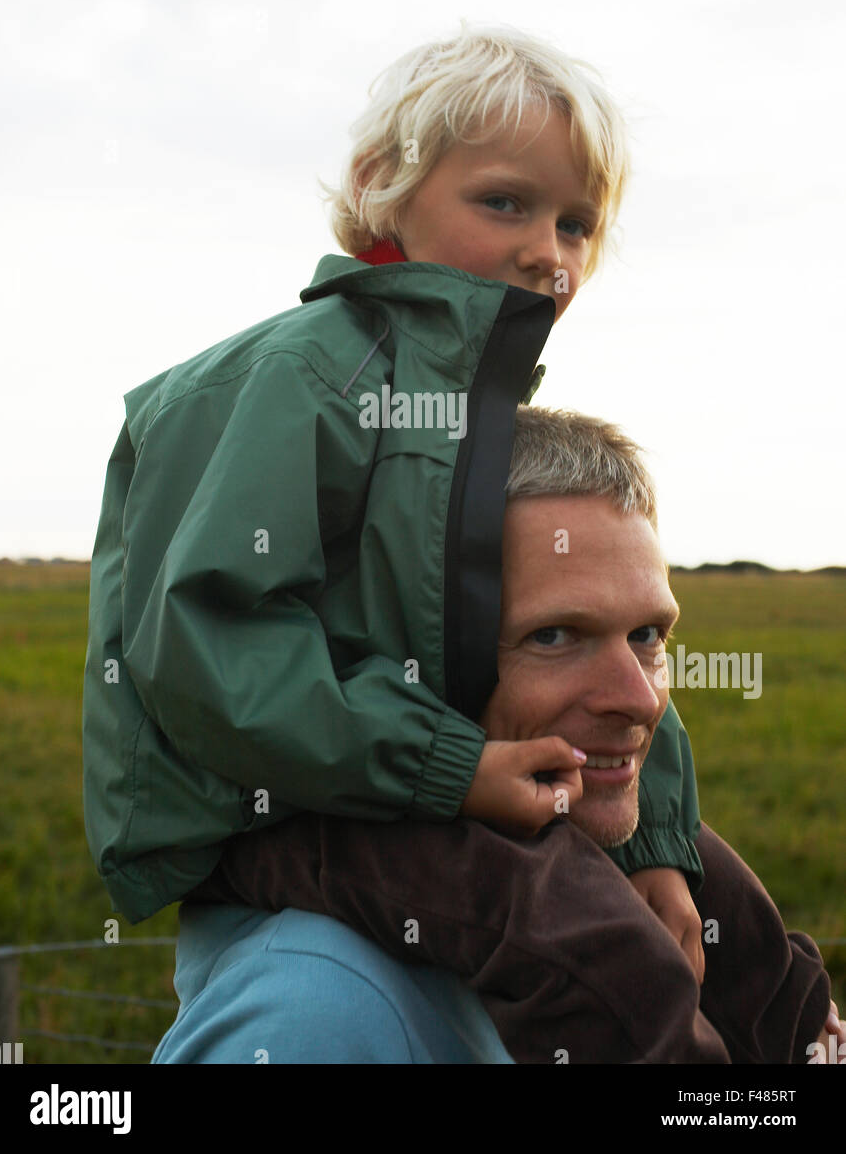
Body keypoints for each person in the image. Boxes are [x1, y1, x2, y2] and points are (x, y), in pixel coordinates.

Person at [83, 24, 702, 992]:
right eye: (504, 203)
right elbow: (206, 640)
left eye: (577, 224)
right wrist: (448, 768)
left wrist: (653, 844)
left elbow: (595, 641)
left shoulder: (481, 413)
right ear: (382, 184)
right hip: (279, 812)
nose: (547, 253)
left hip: (423, 780)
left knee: (728, 921)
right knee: (590, 948)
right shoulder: (301, 377)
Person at [152, 407, 839, 1065]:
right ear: (411, 664)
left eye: (647, 635)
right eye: (553, 636)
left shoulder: (639, 902)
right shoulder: (318, 1016)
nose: (639, 699)